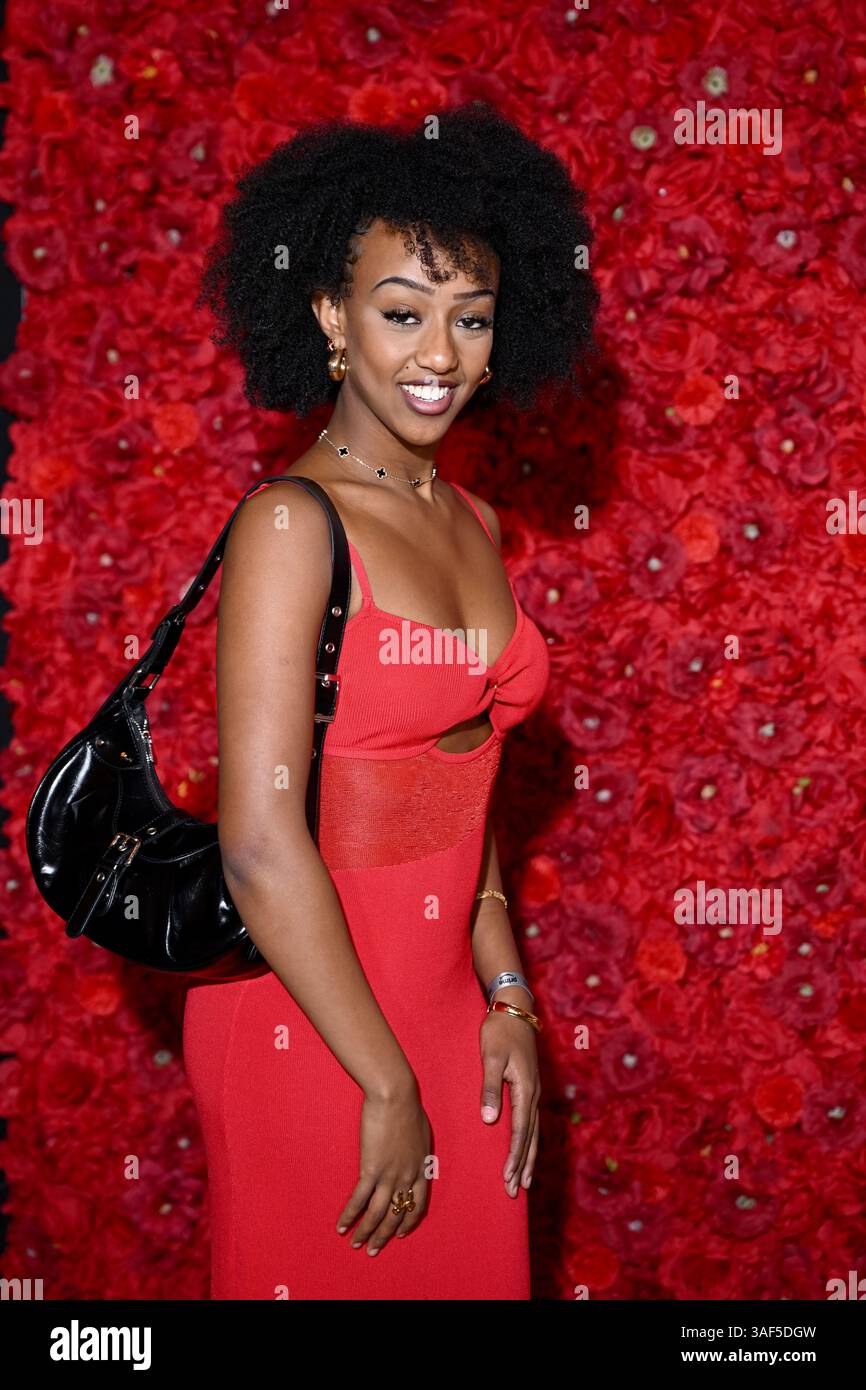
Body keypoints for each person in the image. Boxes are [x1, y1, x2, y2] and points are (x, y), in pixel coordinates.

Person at [184, 103, 599, 1300]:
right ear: (329, 316)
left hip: (448, 1015)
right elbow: (260, 843)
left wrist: (507, 995)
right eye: (400, 312)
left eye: (468, 319)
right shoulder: (287, 524)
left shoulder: (471, 519)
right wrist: (383, 1082)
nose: (439, 355)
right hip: (314, 1022)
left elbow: (459, 797)